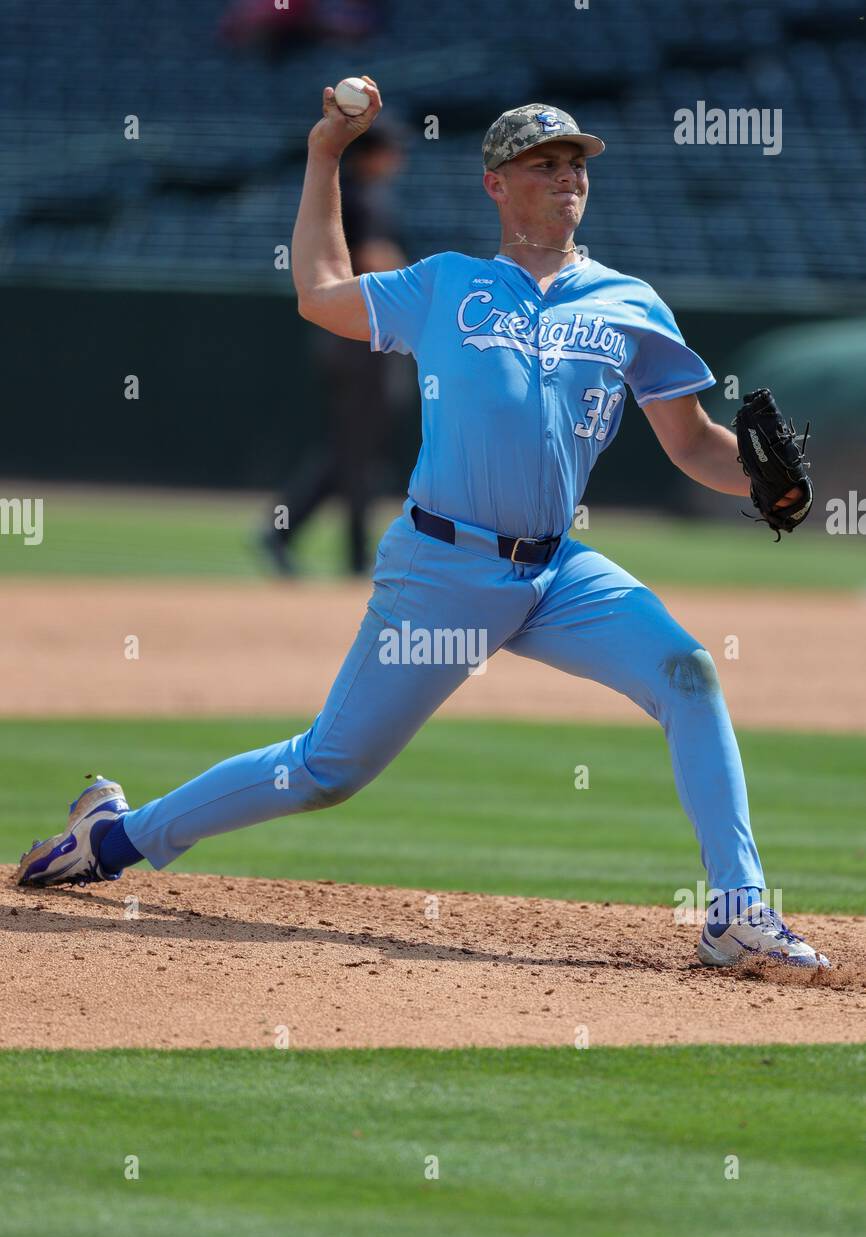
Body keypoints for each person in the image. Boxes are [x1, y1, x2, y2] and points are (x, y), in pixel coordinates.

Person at [17, 82, 829, 970]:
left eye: (575, 165)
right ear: (496, 184)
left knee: (688, 672)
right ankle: (117, 838)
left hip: (559, 574)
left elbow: (694, 442)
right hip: (444, 568)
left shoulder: (629, 304)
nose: (566, 179)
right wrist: (326, 151)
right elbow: (321, 292)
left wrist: (757, 484)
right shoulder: (448, 284)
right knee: (328, 769)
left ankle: (736, 911)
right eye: (543, 164)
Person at [261, 118, 409, 575]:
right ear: (373, 155)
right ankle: (356, 558)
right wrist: (419, 278)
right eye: (391, 152)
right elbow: (368, 258)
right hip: (357, 341)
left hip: (354, 339)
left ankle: (285, 533)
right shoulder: (364, 196)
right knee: (357, 453)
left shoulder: (352, 194)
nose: (398, 161)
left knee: (352, 450)